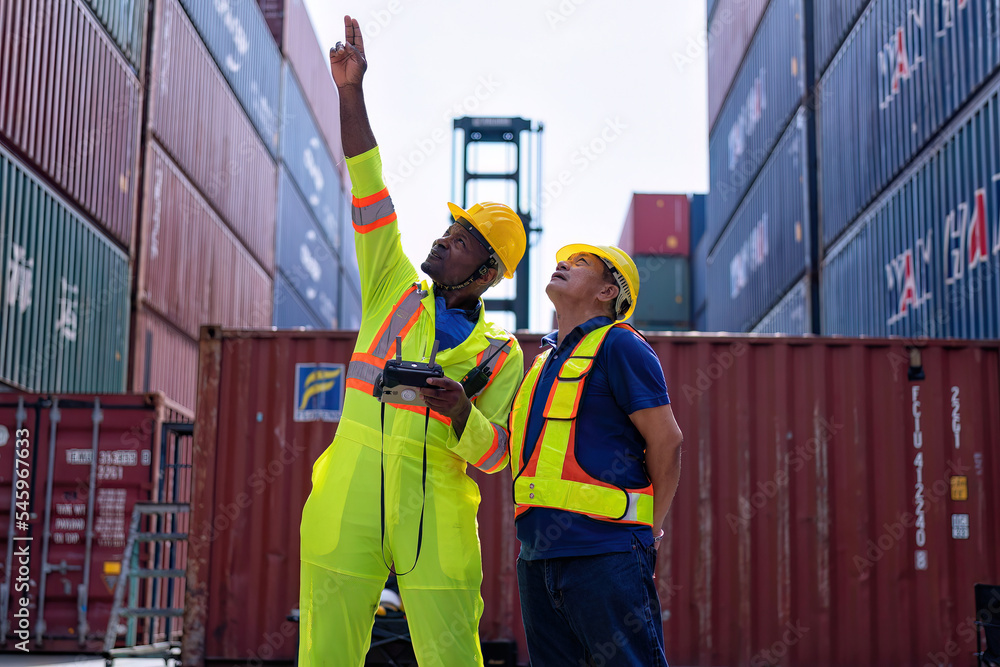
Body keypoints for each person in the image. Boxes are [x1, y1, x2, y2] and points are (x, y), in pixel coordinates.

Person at [298, 16, 527, 666]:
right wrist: (351, 92)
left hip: (440, 507)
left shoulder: (498, 355)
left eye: (458, 242)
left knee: (452, 650)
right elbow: (367, 184)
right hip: (352, 484)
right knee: (325, 645)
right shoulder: (391, 283)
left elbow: (500, 453)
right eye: (446, 230)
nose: (440, 241)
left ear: (486, 274)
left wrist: (461, 412)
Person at [508, 244, 683, 666]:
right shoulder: (542, 362)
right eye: (565, 260)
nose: (563, 264)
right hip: (536, 559)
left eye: (580, 262)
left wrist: (649, 532)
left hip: (607, 553)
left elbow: (668, 441)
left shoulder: (620, 345)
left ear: (607, 291)